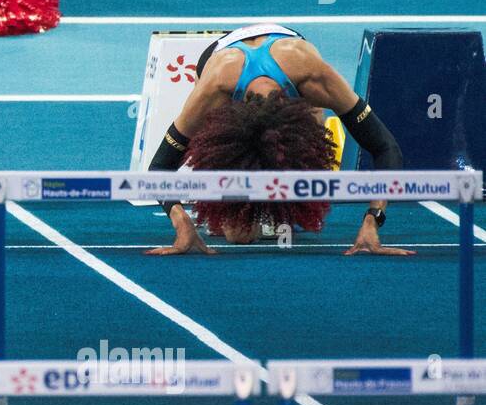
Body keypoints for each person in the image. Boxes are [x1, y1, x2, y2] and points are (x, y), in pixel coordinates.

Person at [144, 23, 410, 256]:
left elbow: (385, 147)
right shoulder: (214, 92)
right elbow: (159, 169)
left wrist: (372, 220)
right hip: (223, 63)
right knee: (239, 235)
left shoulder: (314, 79)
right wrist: (183, 223)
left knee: (300, 181)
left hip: (291, 63)